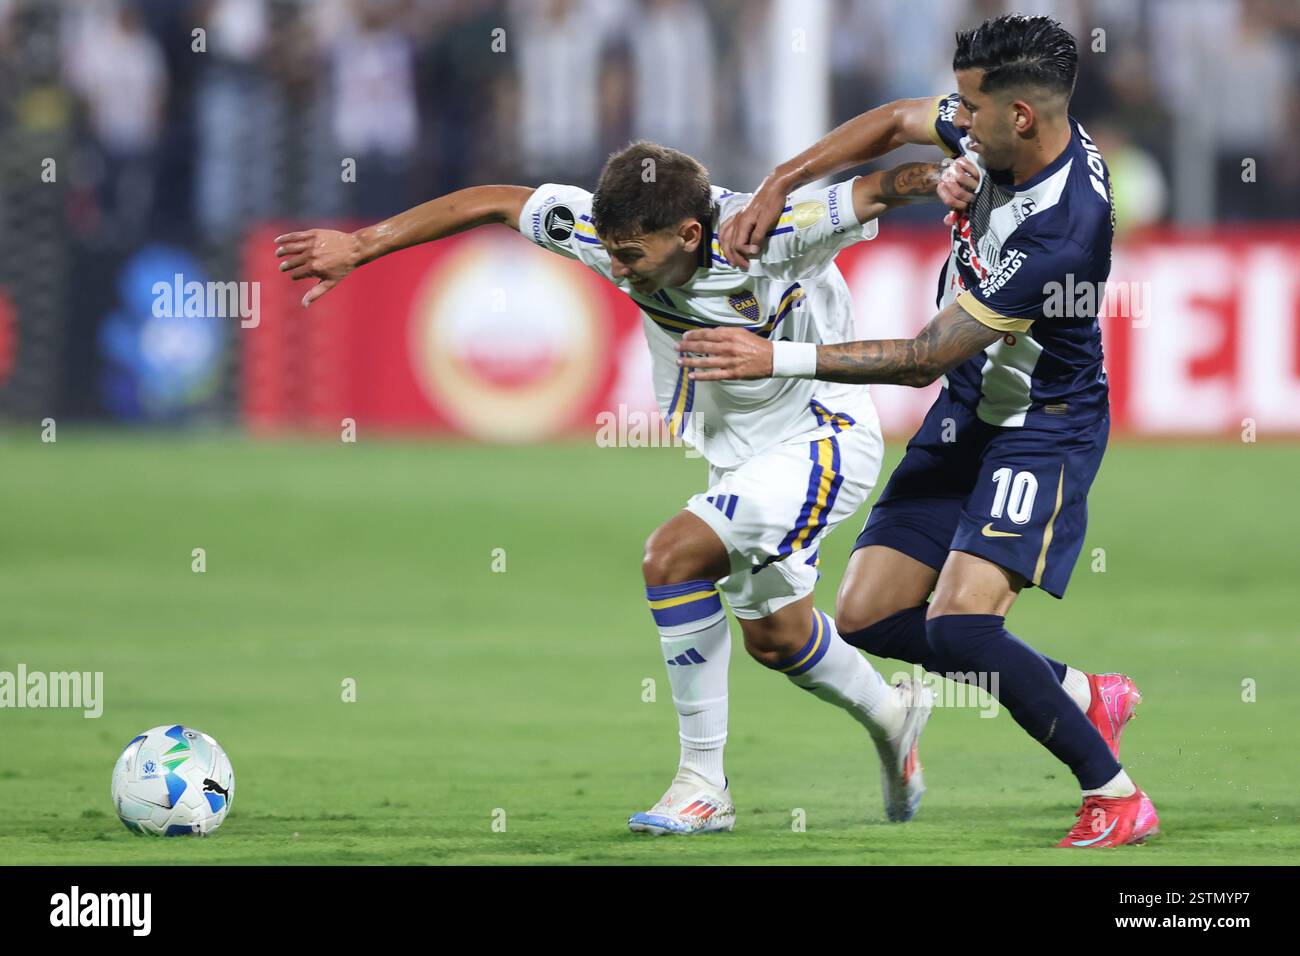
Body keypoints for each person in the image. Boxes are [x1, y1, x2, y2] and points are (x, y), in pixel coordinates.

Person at [273, 141, 947, 835]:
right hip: (742, 460)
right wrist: (362, 244)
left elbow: (880, 188)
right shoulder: (603, 234)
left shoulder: (769, 232)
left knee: (672, 557)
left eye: (633, 258)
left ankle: (702, 784)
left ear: (690, 234)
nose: (619, 274)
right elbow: (495, 201)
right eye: (613, 253)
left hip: (823, 440)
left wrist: (954, 176)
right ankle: (892, 714)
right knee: (778, 639)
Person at [686, 15, 1157, 848]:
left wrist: (774, 357)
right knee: (868, 617)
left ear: (1019, 116)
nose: (957, 121)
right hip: (972, 410)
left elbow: (918, 357)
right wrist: (774, 188)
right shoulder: (1008, 129)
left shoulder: (1065, 231)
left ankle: (1116, 794)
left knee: (961, 627)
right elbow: (896, 119)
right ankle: (1082, 695)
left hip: (1040, 424)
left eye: (971, 109)